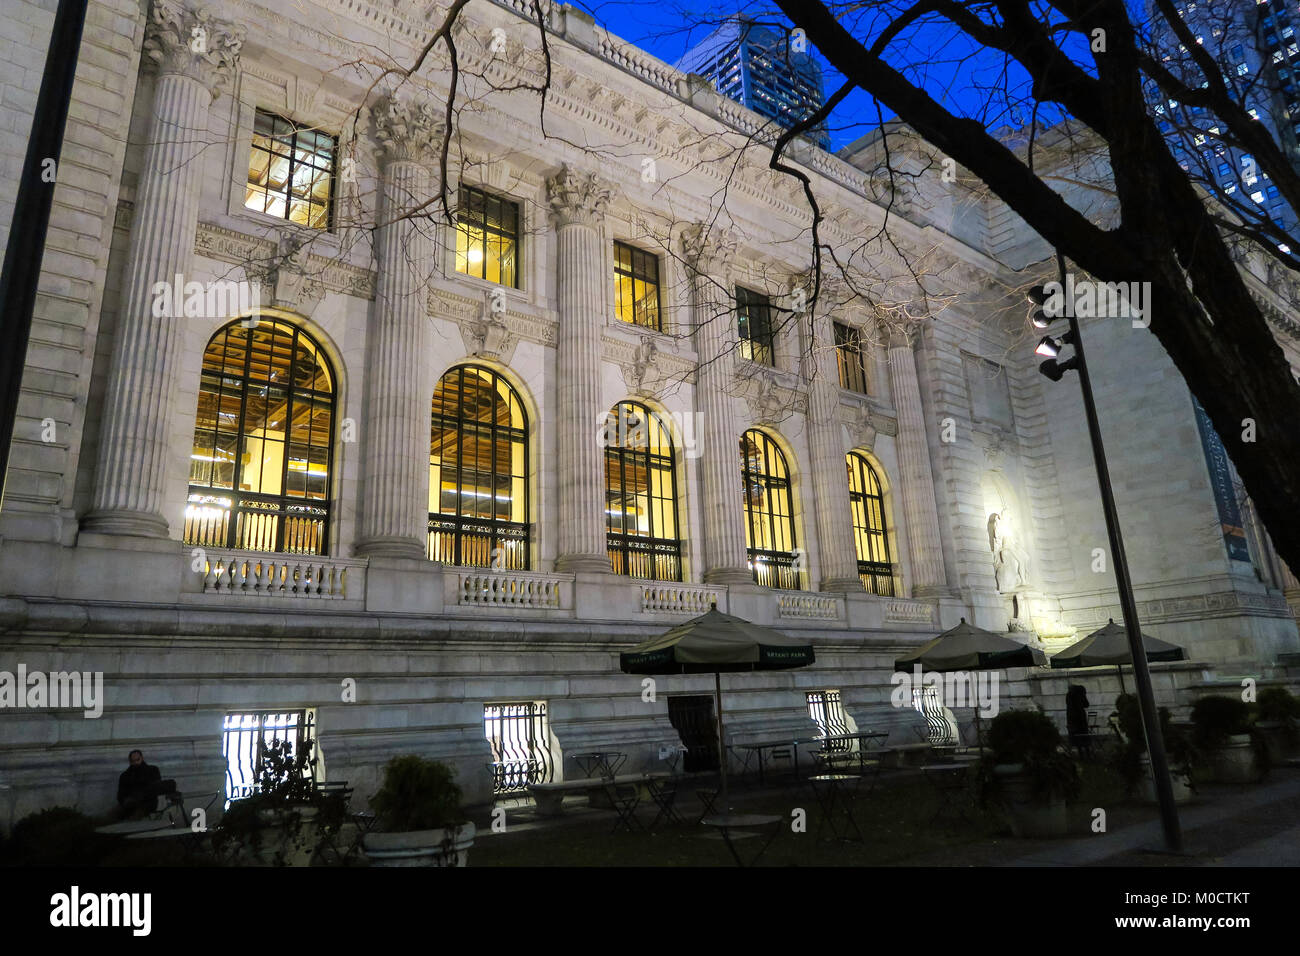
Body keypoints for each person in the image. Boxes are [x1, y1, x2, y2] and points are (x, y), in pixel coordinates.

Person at [116, 750, 174, 819]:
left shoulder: (152, 770)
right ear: (130, 761)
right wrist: (126, 801)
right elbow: (120, 794)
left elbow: (155, 788)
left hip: (147, 804)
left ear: (142, 758)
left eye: (137, 760)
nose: (135, 762)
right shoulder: (125, 775)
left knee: (134, 817)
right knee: (113, 815)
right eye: (132, 761)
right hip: (129, 804)